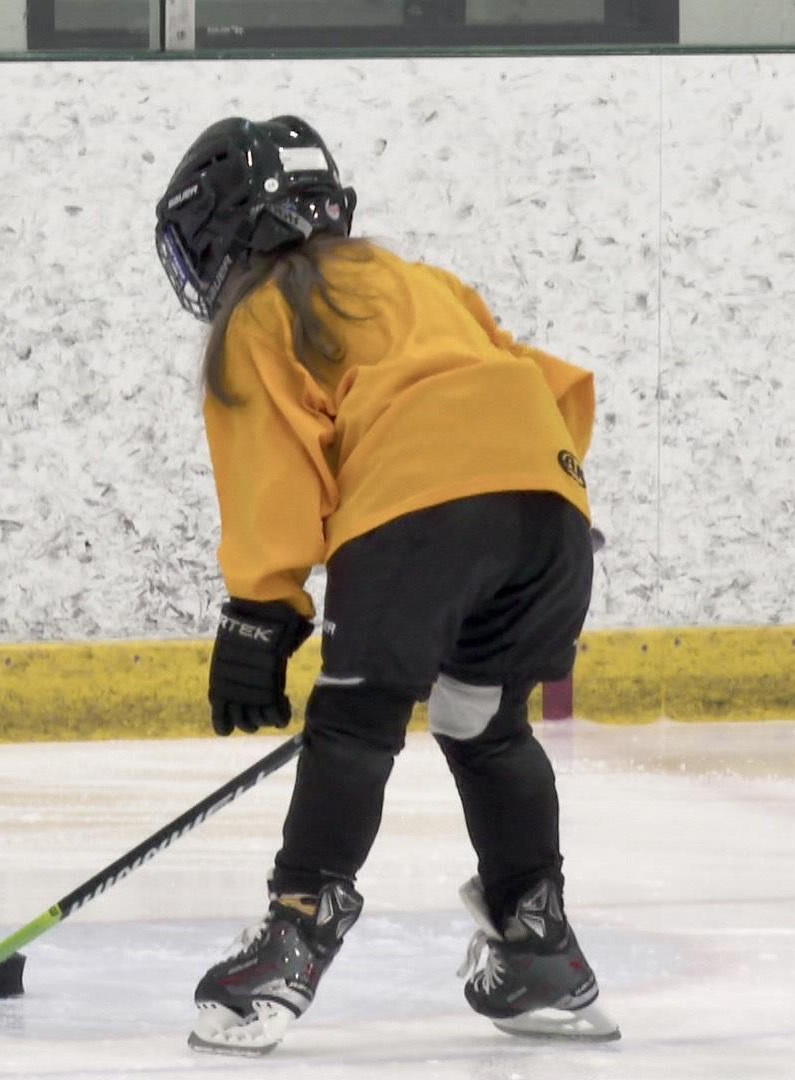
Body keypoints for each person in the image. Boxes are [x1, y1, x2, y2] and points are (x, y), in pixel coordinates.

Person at [153, 115, 619, 1056]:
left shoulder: (263, 314)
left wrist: (261, 612)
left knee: (356, 722)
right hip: (553, 508)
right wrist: (490, 540)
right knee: (483, 720)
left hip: (426, 515)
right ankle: (538, 947)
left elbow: (273, 477)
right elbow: (533, 387)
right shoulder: (423, 282)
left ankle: (292, 937)